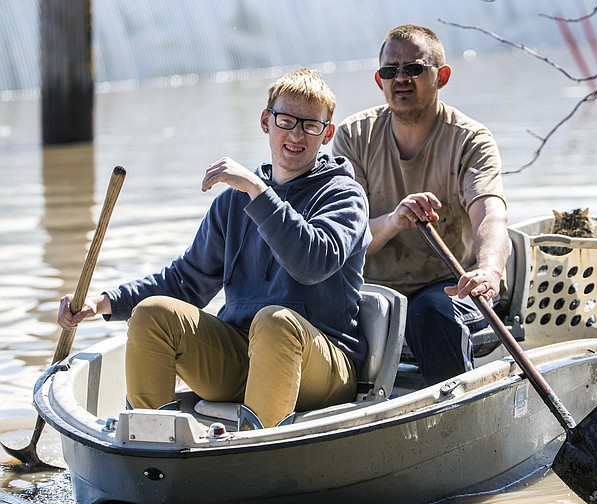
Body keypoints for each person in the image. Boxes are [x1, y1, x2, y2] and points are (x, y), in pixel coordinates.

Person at [57, 68, 371, 429]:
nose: (296, 134)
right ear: (266, 121)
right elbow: (185, 281)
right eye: (286, 120)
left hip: (323, 363)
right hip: (242, 356)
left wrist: (258, 192)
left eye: (310, 125)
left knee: (275, 321)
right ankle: (152, 442)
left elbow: (312, 263)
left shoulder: (344, 196)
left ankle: (254, 450)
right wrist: (103, 302)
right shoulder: (232, 204)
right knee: (152, 313)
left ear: (327, 133)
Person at [332, 24, 508, 386]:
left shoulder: (470, 139)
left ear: (441, 76)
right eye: (389, 71)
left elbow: (490, 212)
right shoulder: (353, 136)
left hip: (446, 287)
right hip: (372, 288)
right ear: (378, 80)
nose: (401, 79)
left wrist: (489, 270)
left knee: (429, 313)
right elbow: (351, 237)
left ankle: (457, 422)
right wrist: (396, 220)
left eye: (413, 69)